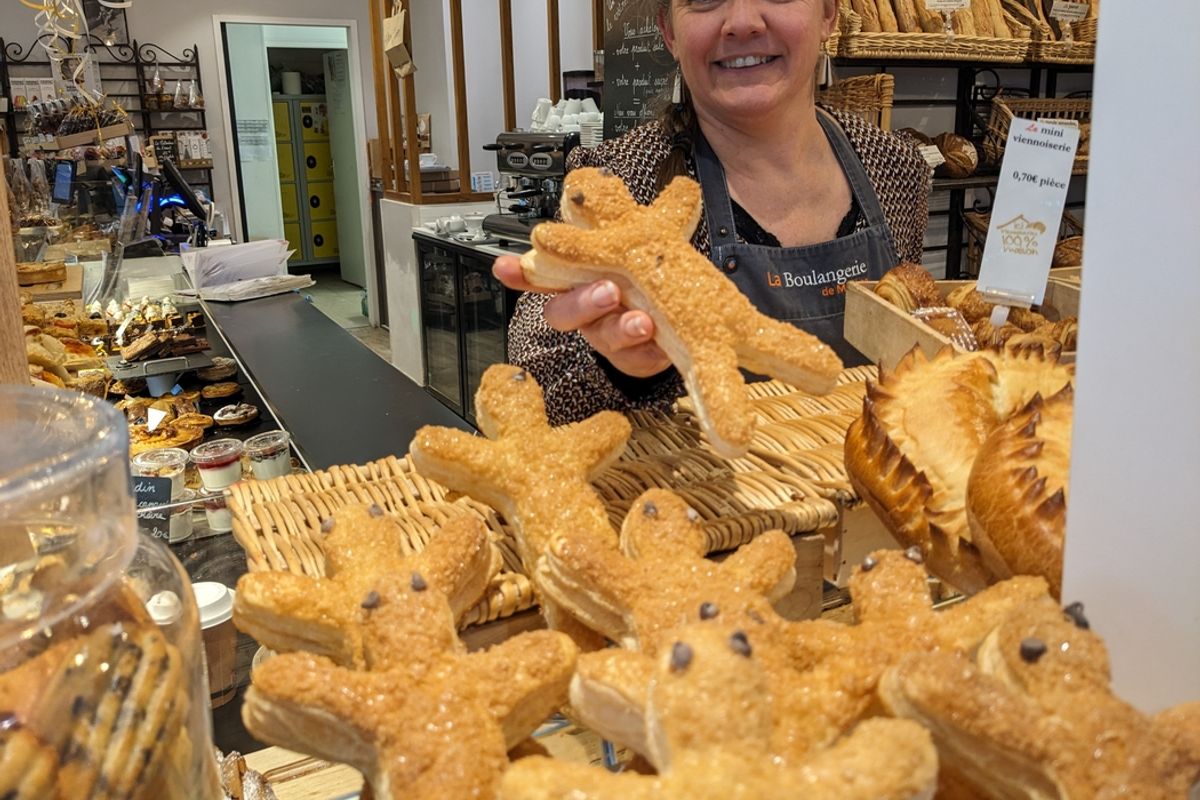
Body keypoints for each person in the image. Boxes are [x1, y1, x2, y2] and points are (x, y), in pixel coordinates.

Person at [493, 0, 931, 425]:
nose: (742, 21)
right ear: (669, 32)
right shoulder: (618, 181)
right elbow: (532, 376)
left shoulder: (896, 167)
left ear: (828, 13)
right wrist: (618, 365)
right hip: (701, 496)